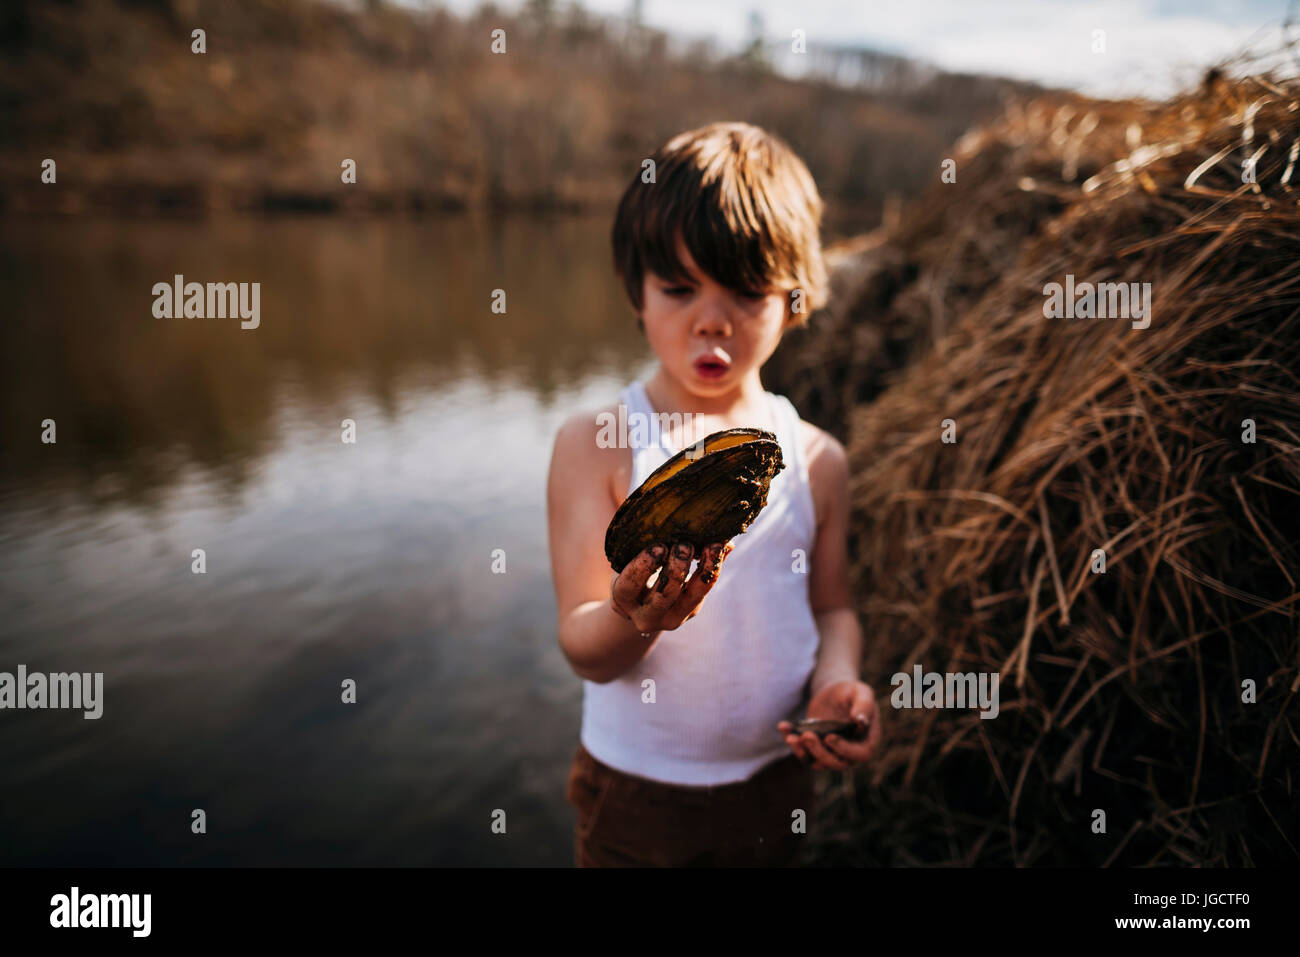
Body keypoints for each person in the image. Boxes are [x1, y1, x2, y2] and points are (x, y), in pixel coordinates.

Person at [546, 121, 881, 867]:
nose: (710, 319)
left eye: (747, 291)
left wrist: (838, 681)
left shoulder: (819, 457)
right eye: (677, 287)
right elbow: (584, 645)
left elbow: (833, 607)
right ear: (635, 291)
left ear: (796, 299)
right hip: (638, 793)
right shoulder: (595, 443)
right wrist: (633, 619)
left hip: (778, 779)